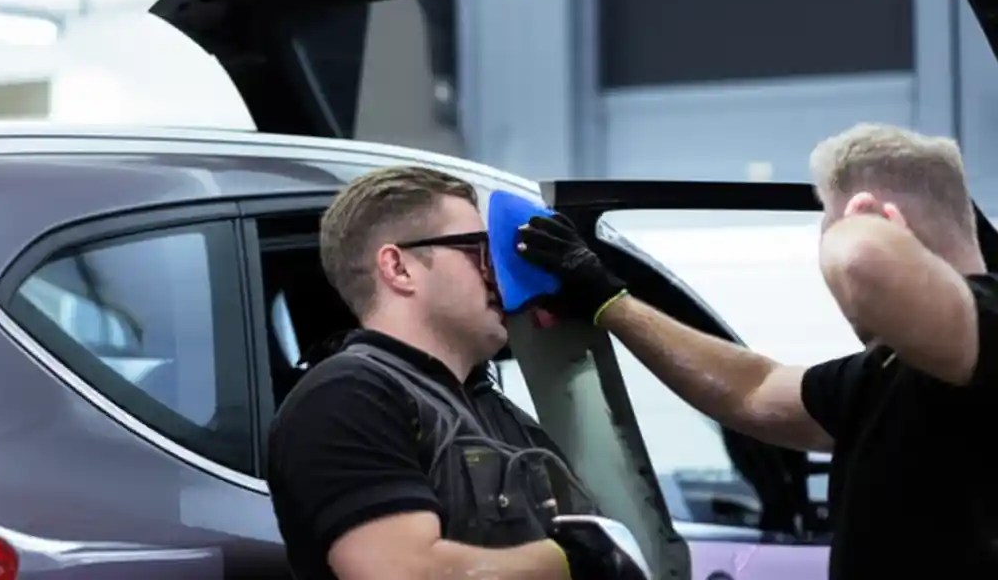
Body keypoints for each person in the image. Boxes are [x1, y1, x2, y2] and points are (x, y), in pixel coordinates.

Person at [515, 122, 998, 580]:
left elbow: (862, 262)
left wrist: (855, 230)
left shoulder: (989, 325)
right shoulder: (885, 371)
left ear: (880, 221)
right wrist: (608, 301)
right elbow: (754, 388)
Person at [266, 165, 597, 580]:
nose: (497, 273)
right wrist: (575, 562)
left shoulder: (496, 414)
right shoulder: (346, 397)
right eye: (479, 251)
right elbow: (404, 572)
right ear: (398, 268)